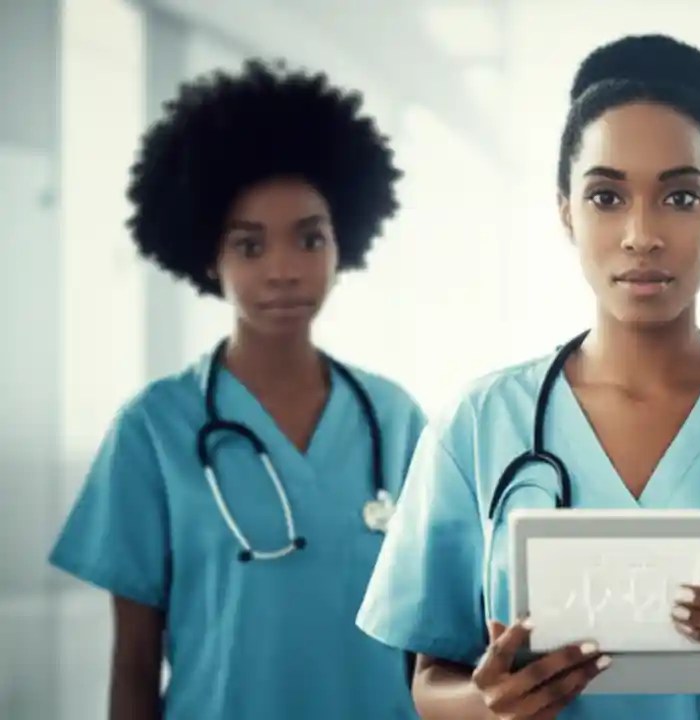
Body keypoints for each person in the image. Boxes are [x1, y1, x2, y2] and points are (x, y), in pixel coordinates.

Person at [355, 34, 700, 720]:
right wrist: (489, 703)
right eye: (606, 197)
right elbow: (429, 683)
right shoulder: (474, 427)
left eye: (680, 198)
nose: (641, 235)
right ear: (565, 210)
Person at [48, 59, 426, 719]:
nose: (283, 270)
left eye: (309, 239)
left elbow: (432, 643)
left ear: (345, 242)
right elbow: (134, 661)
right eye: (249, 247)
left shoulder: (394, 420)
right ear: (206, 255)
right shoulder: (153, 429)